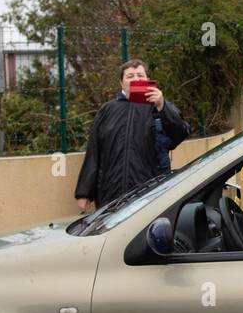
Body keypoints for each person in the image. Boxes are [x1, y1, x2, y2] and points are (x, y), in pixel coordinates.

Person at [74, 59, 189, 212]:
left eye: (140, 75)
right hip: (110, 193)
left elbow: (180, 133)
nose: (136, 79)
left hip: (149, 192)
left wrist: (162, 106)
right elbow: (94, 152)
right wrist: (84, 193)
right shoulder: (107, 110)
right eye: (130, 76)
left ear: (148, 80)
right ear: (121, 82)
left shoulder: (158, 108)